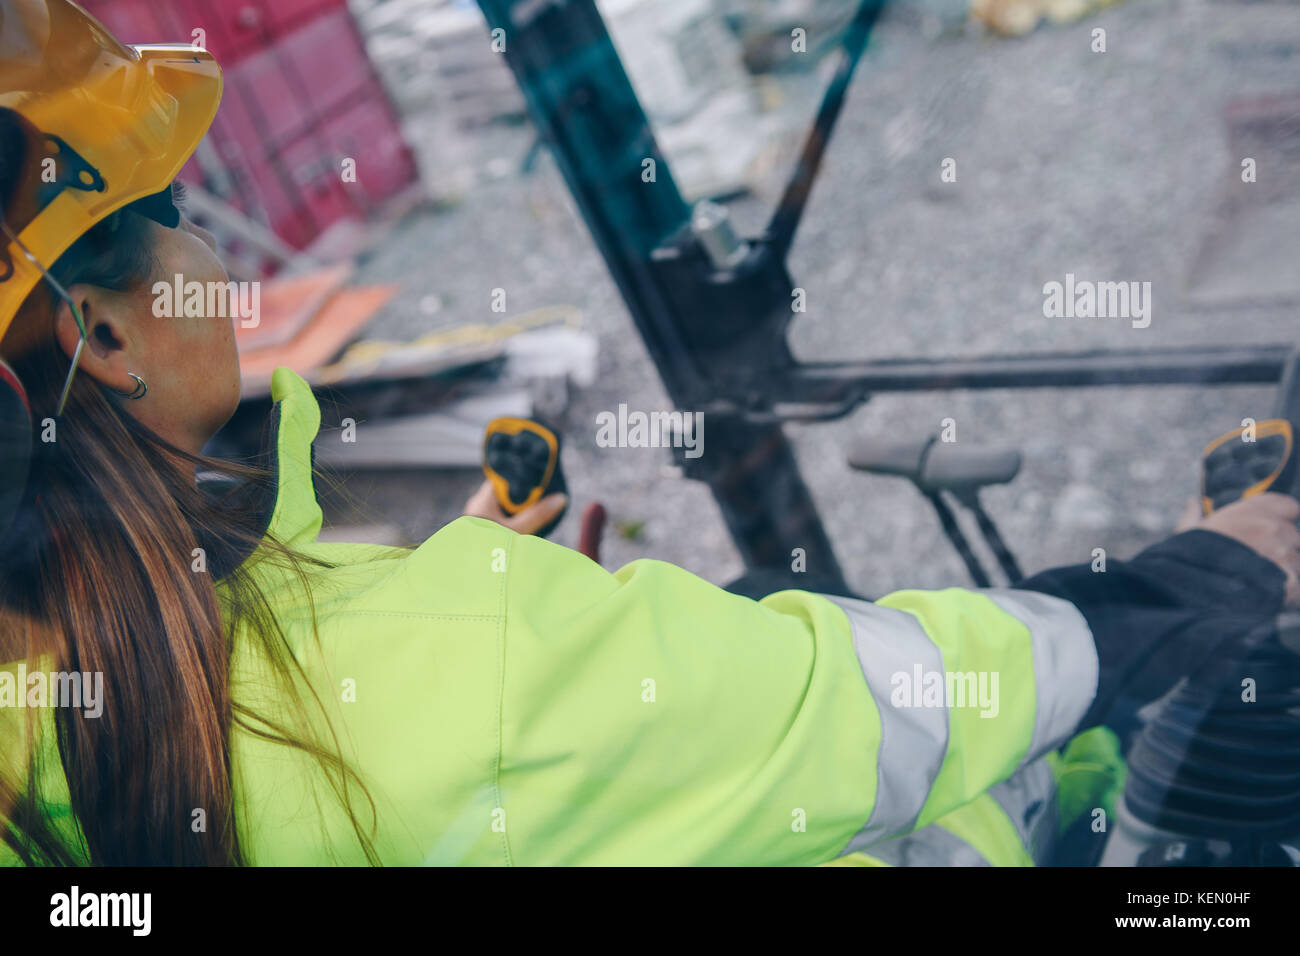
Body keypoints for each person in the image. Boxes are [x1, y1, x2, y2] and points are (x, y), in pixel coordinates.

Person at [2, 0, 1298, 867]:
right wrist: (1198, 574)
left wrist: (423, 590)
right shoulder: (457, 668)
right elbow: (874, 705)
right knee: (1027, 779)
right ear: (100, 336)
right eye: (161, 202)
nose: (200, 237)